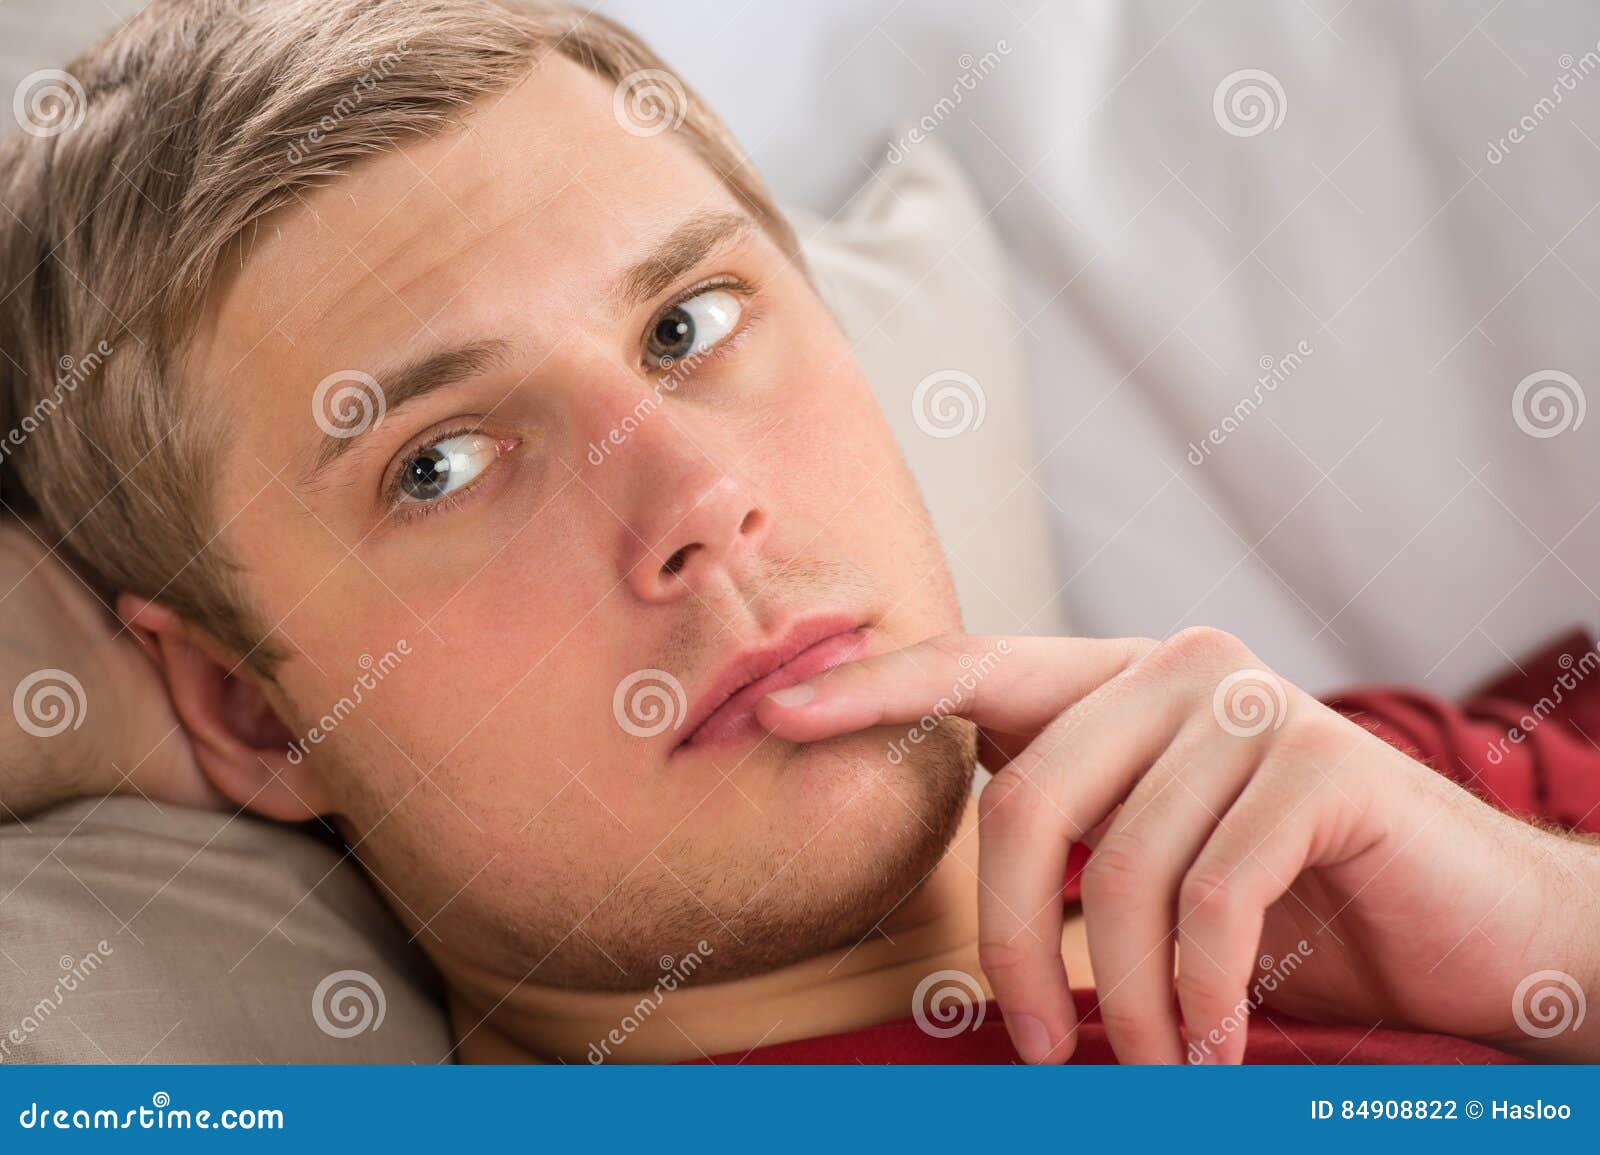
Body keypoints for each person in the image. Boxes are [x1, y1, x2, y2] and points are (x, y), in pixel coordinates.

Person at [1, 0, 1597, 1065]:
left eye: (689, 324)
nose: (700, 502)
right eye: (442, 464)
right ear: (252, 709)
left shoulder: (1345, 792)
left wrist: (1546, 929)